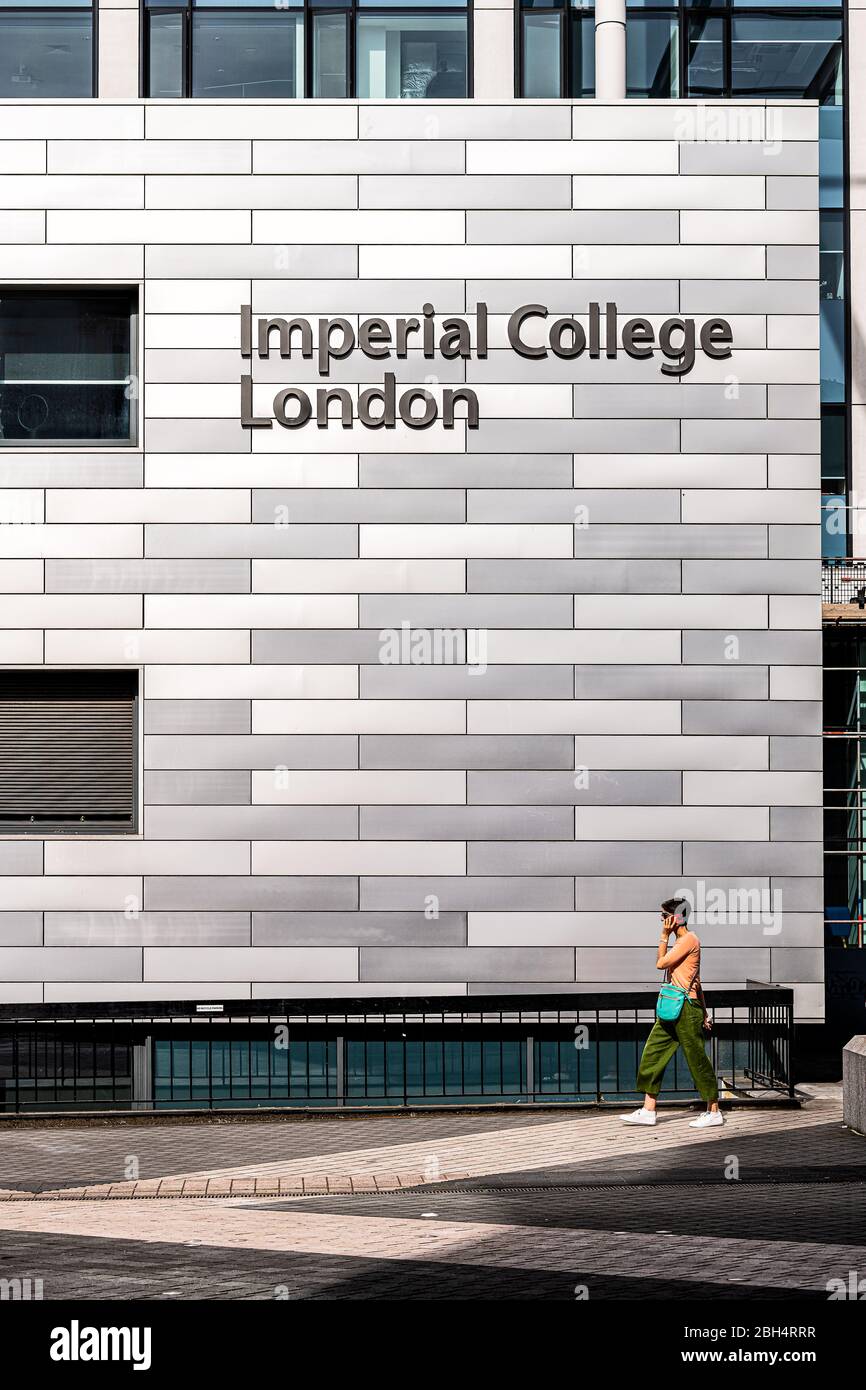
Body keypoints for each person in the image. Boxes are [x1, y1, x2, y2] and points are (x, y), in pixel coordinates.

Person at [621, 897, 723, 1129]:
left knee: (696, 1058)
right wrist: (707, 1012)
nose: (661, 920)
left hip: (686, 1009)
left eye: (664, 916)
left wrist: (664, 937)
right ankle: (648, 1110)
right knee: (653, 1053)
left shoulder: (689, 939)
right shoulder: (683, 942)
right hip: (673, 1007)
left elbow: (661, 964)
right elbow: (697, 981)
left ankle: (714, 1110)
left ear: (676, 918)